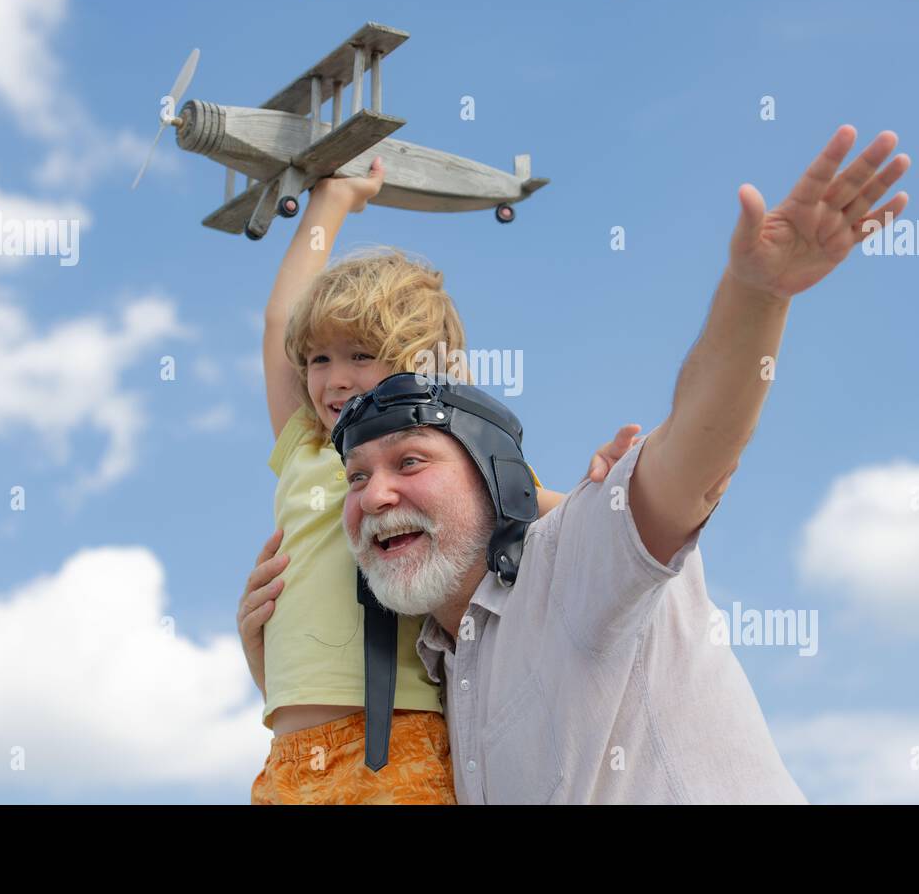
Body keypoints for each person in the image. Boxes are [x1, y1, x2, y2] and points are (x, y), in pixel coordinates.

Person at [243, 124, 909, 803]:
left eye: (410, 461)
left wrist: (757, 297)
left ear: (489, 467)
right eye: (356, 476)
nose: (375, 493)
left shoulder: (577, 563)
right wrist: (275, 665)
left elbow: (693, 452)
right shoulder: (446, 671)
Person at [241, 156, 640, 804]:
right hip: (287, 762)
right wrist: (333, 200)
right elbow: (278, 324)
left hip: (399, 746)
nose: (334, 379)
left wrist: (611, 490)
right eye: (318, 359)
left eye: (360, 355)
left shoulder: (448, 455)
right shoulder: (308, 449)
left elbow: (540, 511)